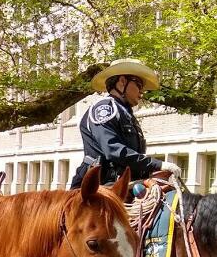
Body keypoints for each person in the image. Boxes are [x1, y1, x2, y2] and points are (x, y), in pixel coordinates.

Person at [69, 58, 181, 188]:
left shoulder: (126, 114)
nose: (141, 92)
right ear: (122, 82)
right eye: (139, 85)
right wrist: (157, 164)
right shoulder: (105, 109)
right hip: (98, 186)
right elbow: (113, 149)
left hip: (125, 183)